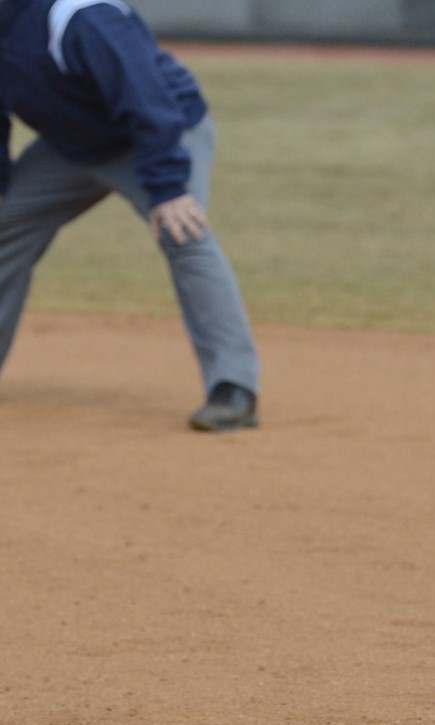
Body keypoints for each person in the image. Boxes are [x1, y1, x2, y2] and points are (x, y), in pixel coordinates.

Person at [0, 0, 260, 431]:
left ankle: (233, 387)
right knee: (6, 231)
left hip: (161, 135)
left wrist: (168, 186)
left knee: (184, 235)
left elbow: (147, 96)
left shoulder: (79, 15)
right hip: (74, 147)